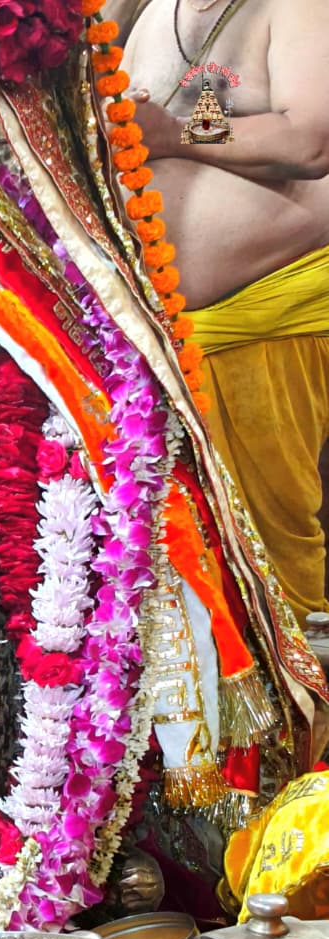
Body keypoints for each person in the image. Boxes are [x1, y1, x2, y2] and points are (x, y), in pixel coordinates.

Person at [106, 0, 329, 626]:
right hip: (157, 340)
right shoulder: (150, 11)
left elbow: (312, 138)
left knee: (273, 580)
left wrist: (175, 135)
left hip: (265, 322)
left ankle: (296, 684)